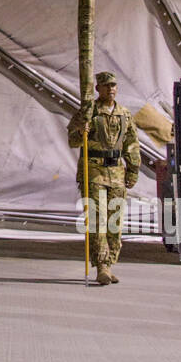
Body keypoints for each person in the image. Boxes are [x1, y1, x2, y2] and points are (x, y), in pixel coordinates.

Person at [67, 71, 140, 286]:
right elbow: (73, 141)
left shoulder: (124, 114)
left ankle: (110, 261)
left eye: (114, 85)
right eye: (106, 86)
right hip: (94, 172)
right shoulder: (88, 113)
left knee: (114, 222)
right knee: (97, 221)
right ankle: (102, 266)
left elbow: (132, 144)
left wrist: (133, 169)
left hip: (117, 174)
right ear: (97, 88)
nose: (111, 89)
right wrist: (81, 131)